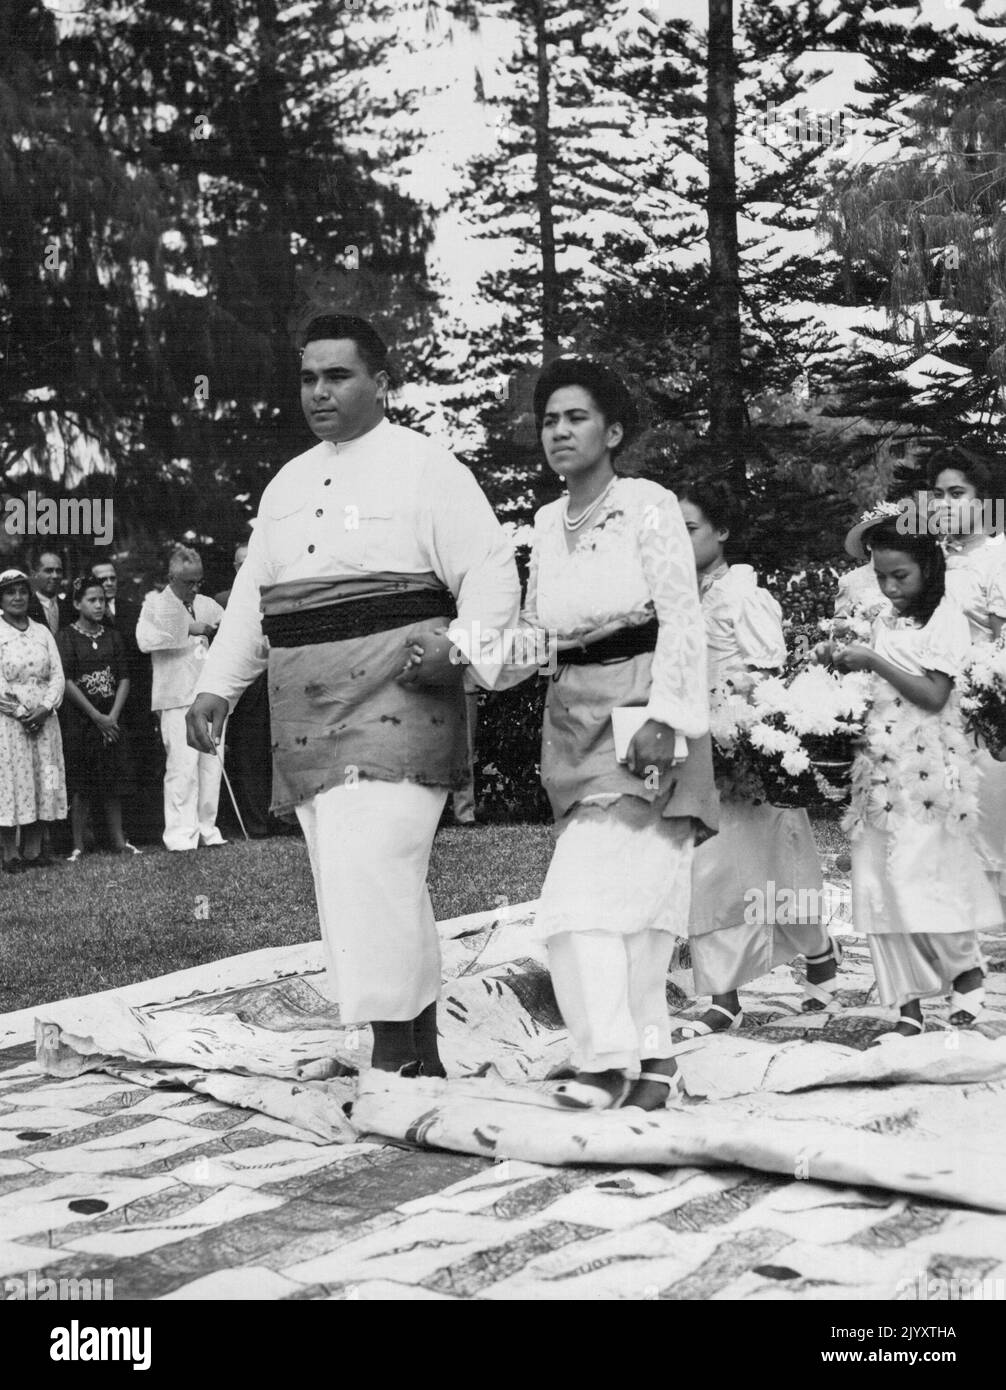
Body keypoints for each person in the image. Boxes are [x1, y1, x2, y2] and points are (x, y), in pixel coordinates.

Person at [186, 314, 520, 1077]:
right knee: (342, 872)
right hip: (309, 716)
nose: (319, 392)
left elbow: (494, 572)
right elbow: (251, 599)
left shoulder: (428, 468)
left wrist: (461, 647)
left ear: (381, 383)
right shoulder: (287, 484)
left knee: (379, 861)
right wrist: (216, 688)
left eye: (337, 376)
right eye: (308, 377)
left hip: (400, 697)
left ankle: (410, 1051)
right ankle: (394, 1045)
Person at [465, 357, 717, 1113]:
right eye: (549, 420)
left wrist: (668, 718)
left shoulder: (647, 504)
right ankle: (654, 1059)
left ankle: (604, 1061)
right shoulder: (546, 522)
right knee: (628, 903)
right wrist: (467, 655)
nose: (560, 431)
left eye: (577, 417)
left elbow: (681, 614)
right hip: (571, 717)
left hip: (645, 709)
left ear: (612, 431)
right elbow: (540, 634)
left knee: (573, 904)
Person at [817, 503, 999, 1037]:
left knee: (923, 874)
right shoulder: (882, 618)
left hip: (927, 771)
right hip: (878, 768)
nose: (891, 587)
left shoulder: (947, 616)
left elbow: (933, 693)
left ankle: (964, 970)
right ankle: (906, 1005)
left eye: (901, 576)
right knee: (877, 881)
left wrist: (872, 661)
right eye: (881, 577)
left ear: (928, 569)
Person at [674, 481, 837, 1038]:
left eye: (690, 528)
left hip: (745, 747)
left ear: (721, 531)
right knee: (707, 868)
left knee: (776, 867)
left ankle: (818, 949)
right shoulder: (679, 595)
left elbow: (767, 673)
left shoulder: (741, 595)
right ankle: (724, 995)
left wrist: (740, 725)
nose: (679, 539)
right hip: (694, 745)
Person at [927, 451, 1006, 907]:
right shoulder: (931, 559)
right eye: (937, 495)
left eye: (957, 494)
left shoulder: (998, 558)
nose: (944, 504)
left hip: (983, 718)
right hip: (929, 713)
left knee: (989, 842)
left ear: (984, 502)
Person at [136, 546, 226, 851]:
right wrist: (188, 628)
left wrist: (219, 630)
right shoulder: (154, 604)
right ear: (172, 578)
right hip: (175, 698)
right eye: (189, 582)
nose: (195, 588)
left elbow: (228, 628)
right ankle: (179, 835)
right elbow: (145, 640)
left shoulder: (206, 603)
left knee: (211, 765)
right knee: (182, 768)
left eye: (198, 581)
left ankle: (207, 829)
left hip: (207, 694)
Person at [56, 576, 139, 860]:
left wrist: (112, 716)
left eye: (102, 600)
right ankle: (78, 843)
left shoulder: (112, 636)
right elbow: (66, 681)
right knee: (83, 784)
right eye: (92, 600)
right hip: (82, 721)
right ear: (78, 603)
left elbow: (124, 677)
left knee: (113, 780)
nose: (99, 605)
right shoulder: (66, 637)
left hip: (112, 720)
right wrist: (95, 716)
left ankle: (118, 840)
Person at [0, 569, 67, 872]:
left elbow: (57, 675)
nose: (17, 597)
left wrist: (45, 707)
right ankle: (10, 852)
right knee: (12, 781)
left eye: (22, 591)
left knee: (45, 779)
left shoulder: (42, 632)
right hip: (10, 724)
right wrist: (20, 713)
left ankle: (34, 849)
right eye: (10, 592)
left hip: (45, 721)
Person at [214, 543, 274, 838]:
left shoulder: (277, 594)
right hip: (245, 689)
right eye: (241, 564)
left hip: (276, 683)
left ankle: (282, 819)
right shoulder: (222, 601)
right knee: (249, 756)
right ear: (234, 568)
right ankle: (255, 823)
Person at [27, 550, 65, 634]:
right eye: (49, 571)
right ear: (34, 574)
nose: (55, 576)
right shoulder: (26, 607)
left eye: (58, 571)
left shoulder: (69, 607)